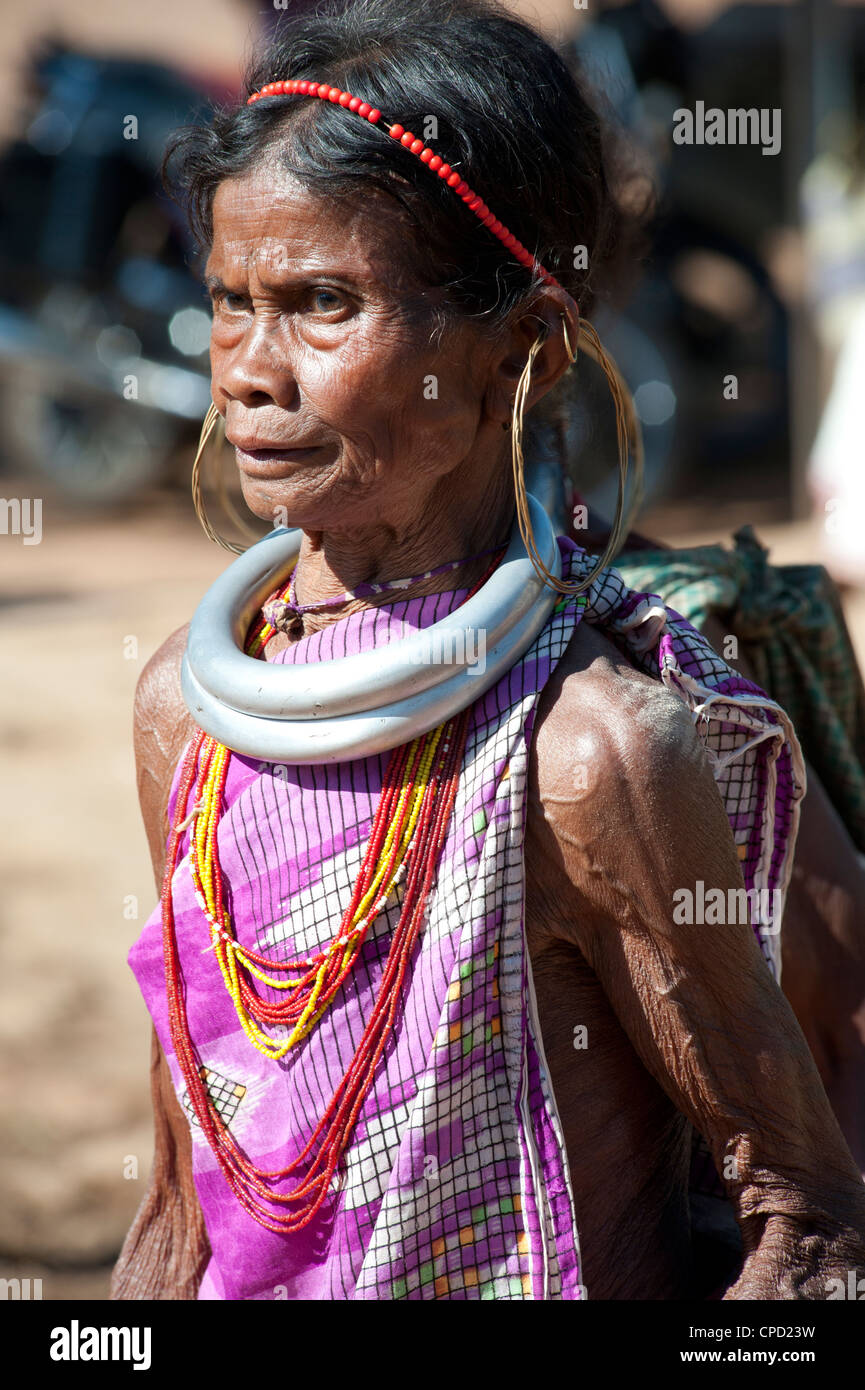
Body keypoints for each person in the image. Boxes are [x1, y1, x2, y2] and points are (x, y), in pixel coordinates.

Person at [111, 0, 865, 1300]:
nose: (245, 366)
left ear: (522, 341)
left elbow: (807, 1232)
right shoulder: (190, 712)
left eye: (320, 304)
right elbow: (181, 1212)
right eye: (230, 301)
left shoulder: (592, 755)